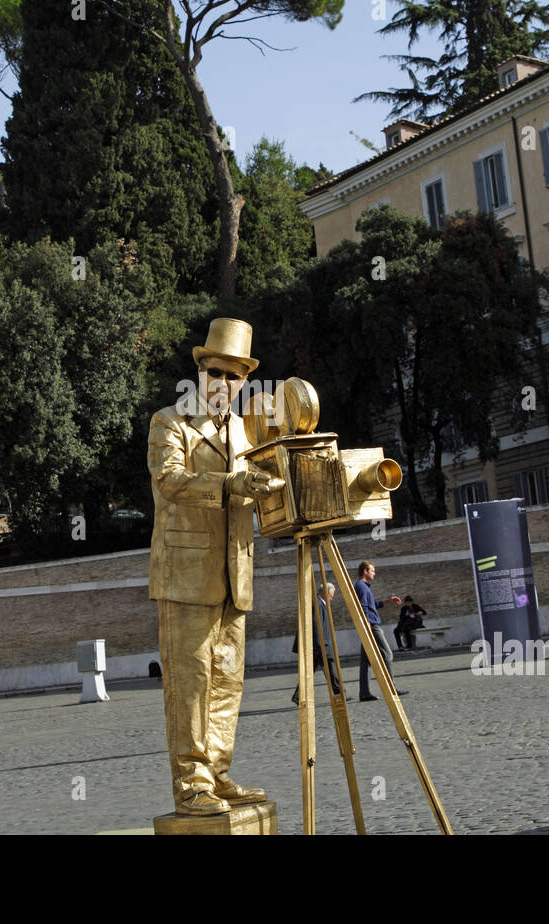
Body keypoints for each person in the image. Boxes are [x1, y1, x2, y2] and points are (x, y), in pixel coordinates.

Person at [148, 318, 282, 816]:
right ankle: (191, 786)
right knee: (191, 683)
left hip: (236, 574)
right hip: (185, 577)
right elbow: (170, 481)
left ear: (244, 381)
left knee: (227, 681)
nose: (224, 383)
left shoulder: (249, 433)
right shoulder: (169, 422)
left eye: (234, 375)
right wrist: (231, 484)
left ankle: (219, 775)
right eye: (216, 372)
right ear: (200, 372)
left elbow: (259, 485)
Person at [354, 561, 406, 702]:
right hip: (372, 626)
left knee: (365, 662)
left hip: (368, 625)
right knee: (387, 654)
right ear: (365, 571)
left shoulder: (362, 587)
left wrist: (387, 601)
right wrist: (368, 626)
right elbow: (364, 608)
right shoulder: (362, 587)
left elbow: (371, 605)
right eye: (372, 570)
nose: (374, 573)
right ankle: (391, 688)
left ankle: (364, 693)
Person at [292, 582, 344, 705]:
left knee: (315, 671)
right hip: (318, 645)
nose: (332, 597)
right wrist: (318, 646)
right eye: (331, 595)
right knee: (329, 666)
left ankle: (298, 696)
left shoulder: (320, 603)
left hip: (319, 644)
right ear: (325, 593)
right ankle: (339, 693)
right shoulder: (317, 604)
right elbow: (315, 625)